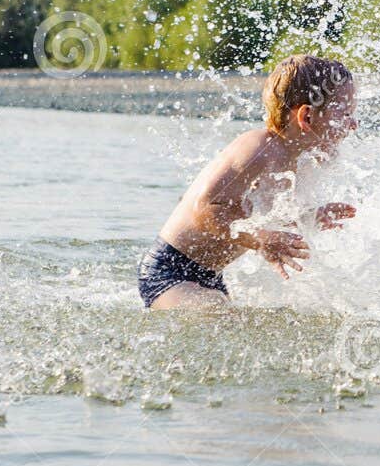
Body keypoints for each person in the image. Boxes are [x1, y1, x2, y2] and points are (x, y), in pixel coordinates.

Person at [139, 55, 358, 309]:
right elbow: (205, 209)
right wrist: (261, 239)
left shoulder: (302, 161)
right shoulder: (259, 148)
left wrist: (310, 218)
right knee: (223, 319)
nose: (353, 125)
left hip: (211, 275)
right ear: (307, 117)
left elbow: (270, 214)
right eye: (345, 114)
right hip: (169, 271)